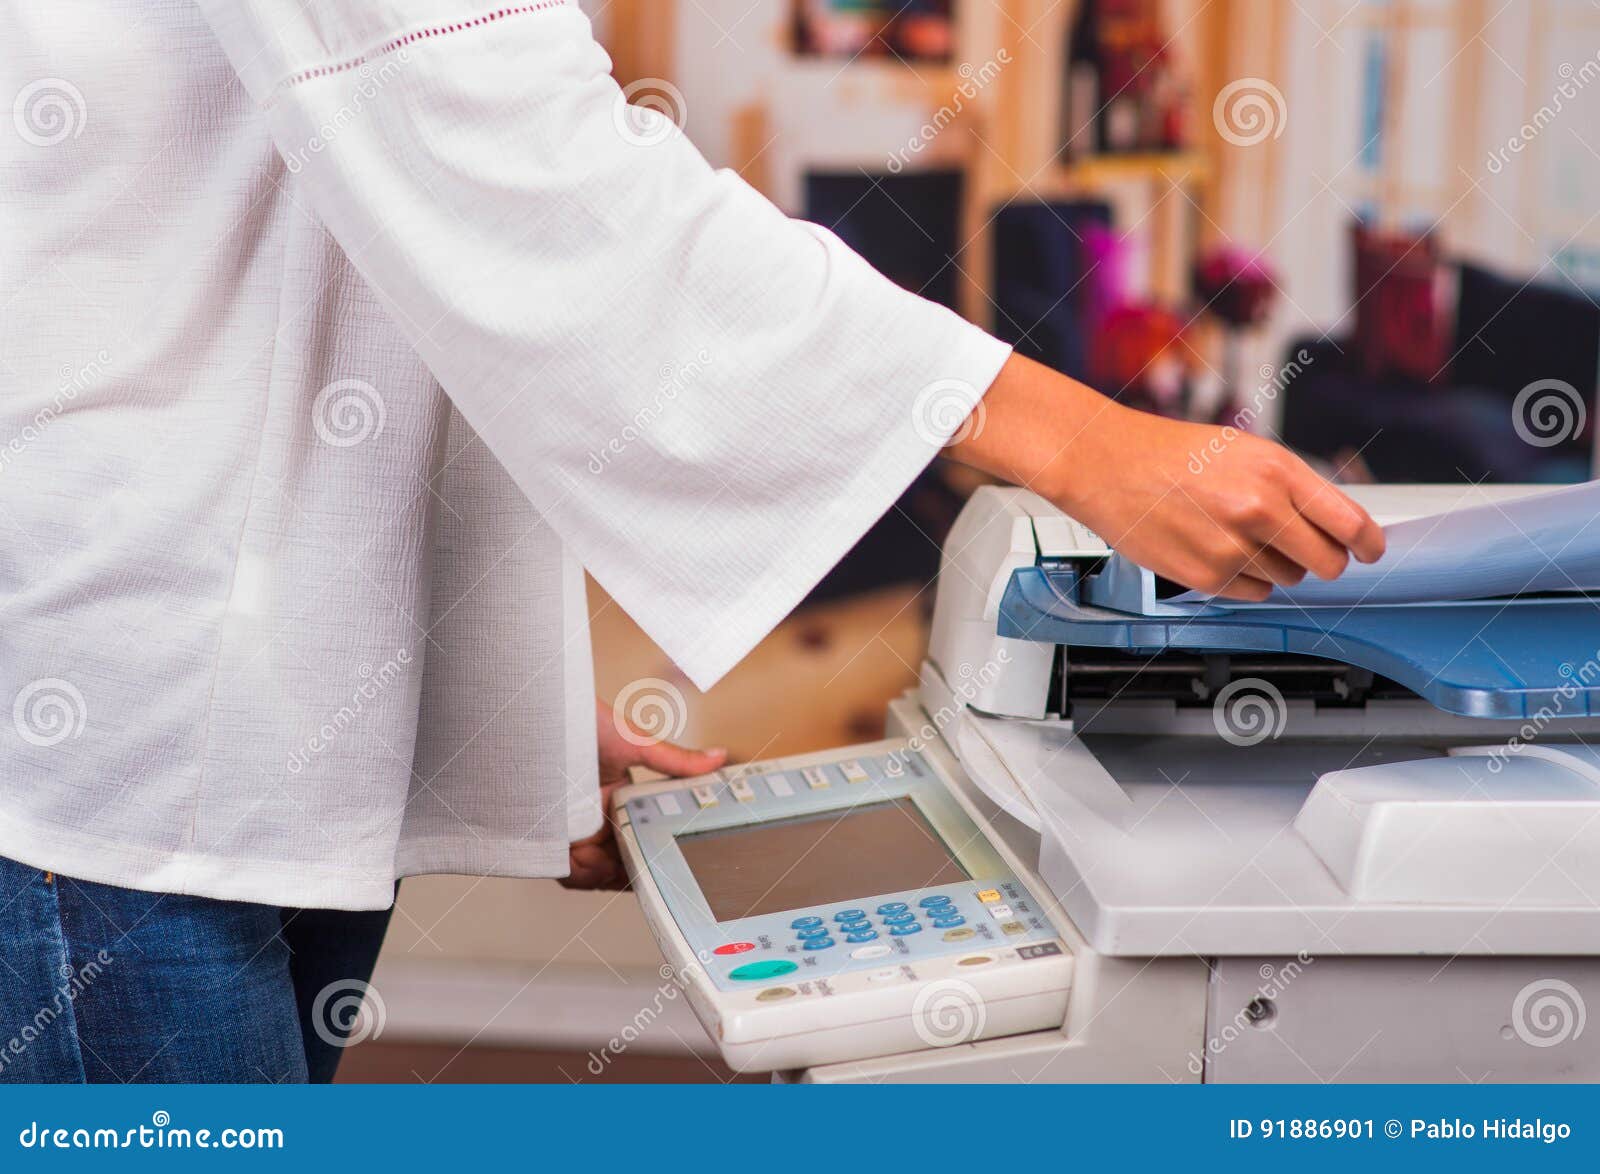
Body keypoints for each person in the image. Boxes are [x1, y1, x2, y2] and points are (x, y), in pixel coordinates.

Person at [0, 0, 1383, 1083]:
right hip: (127, 729)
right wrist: (1083, 442)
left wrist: (468, 690)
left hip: (239, 703)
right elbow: (547, 187)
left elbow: (395, 249)